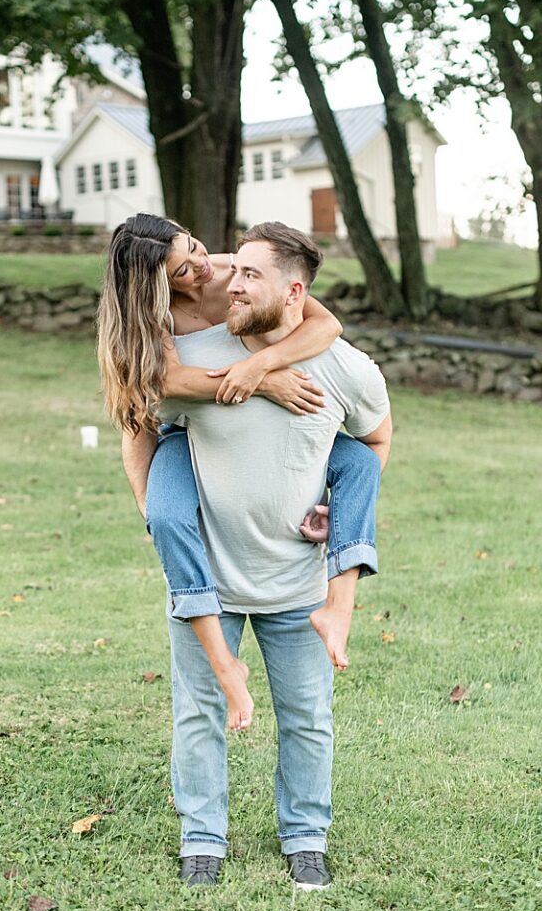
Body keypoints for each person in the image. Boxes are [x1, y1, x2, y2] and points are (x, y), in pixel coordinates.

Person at [156, 220, 391, 889]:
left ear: (295, 293)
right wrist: (155, 511)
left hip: (297, 584)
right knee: (197, 713)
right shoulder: (193, 354)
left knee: (308, 718)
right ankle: (202, 839)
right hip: (213, 580)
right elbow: (141, 422)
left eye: (250, 275)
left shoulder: (345, 369)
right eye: (235, 269)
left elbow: (373, 447)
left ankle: (306, 837)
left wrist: (338, 508)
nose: (231, 280)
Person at [97, 214, 381, 734]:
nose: (204, 268)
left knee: (360, 462)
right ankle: (226, 668)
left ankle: (342, 599)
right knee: (166, 512)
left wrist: (261, 365)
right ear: (156, 287)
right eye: (184, 270)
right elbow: (156, 388)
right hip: (190, 429)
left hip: (260, 419)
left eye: (196, 246)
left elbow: (325, 323)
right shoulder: (155, 317)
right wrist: (149, 504)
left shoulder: (234, 269)